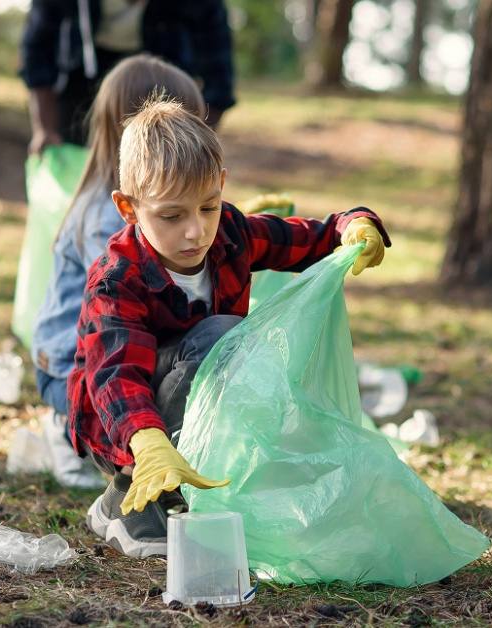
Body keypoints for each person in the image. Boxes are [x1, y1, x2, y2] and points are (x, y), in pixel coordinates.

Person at [68, 97, 388, 557]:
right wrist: (148, 442)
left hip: (194, 397)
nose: (196, 232)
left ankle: (180, 481)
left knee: (237, 345)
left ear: (221, 187)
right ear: (129, 208)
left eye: (208, 207)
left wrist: (354, 226)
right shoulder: (119, 280)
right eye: (171, 216)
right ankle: (130, 496)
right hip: (122, 425)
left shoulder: (231, 233)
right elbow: (116, 377)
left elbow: (307, 239)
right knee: (221, 337)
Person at [32, 54, 207, 421]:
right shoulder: (105, 221)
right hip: (69, 373)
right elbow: (124, 318)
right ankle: (68, 428)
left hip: (103, 358)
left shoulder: (147, 205)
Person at [19, 0, 235, 154]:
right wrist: (45, 129)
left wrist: (199, 142)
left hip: (161, 82)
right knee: (76, 158)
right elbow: (37, 49)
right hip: (79, 79)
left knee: (157, 164)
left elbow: (219, 76)